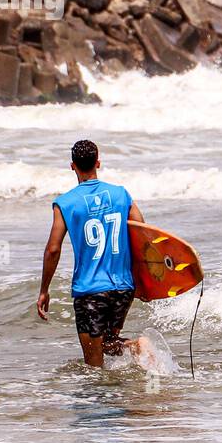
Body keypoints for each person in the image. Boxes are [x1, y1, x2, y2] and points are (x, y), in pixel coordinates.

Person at [38, 140, 146, 367]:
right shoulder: (121, 194)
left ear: (72, 166)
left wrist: (44, 290)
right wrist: (144, 281)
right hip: (123, 288)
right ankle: (135, 351)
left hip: (90, 290)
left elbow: (53, 249)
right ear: (98, 162)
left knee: (93, 364)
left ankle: (97, 400)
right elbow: (143, 233)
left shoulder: (65, 203)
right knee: (108, 343)